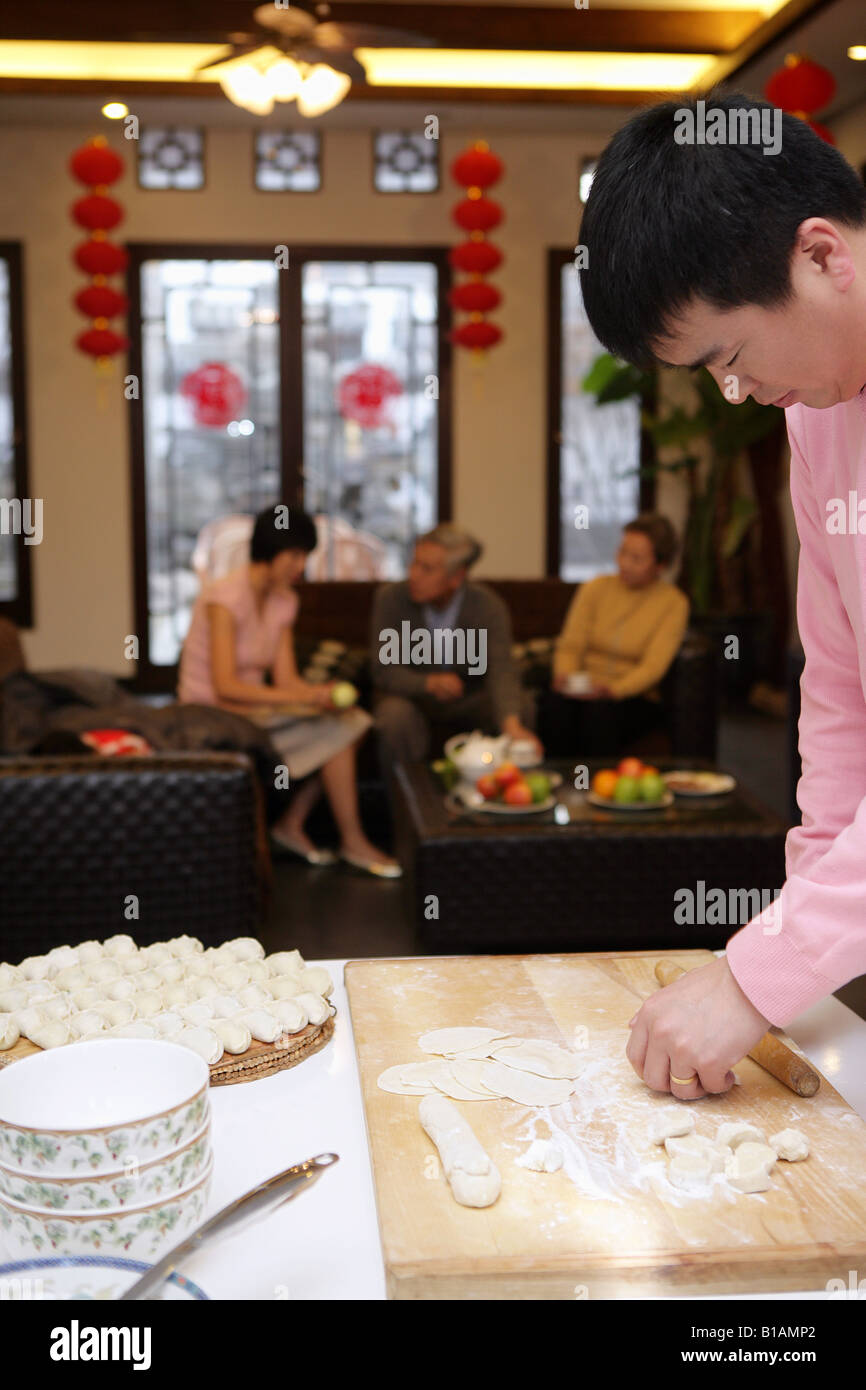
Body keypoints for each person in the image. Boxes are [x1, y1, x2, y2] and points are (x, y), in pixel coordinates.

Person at [578, 90, 866, 1097]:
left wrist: (758, 974)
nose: (732, 394)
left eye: (729, 358)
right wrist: (808, 935)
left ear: (820, 255)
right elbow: (837, 692)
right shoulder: (817, 414)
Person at [178, 504, 401, 878]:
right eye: (296, 555)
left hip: (252, 709)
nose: (302, 565)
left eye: (305, 556)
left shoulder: (285, 600)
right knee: (342, 729)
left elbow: (286, 680)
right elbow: (225, 686)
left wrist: (319, 694)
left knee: (351, 721)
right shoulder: (224, 598)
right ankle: (350, 839)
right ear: (271, 550)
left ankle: (294, 825)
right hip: (211, 714)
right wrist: (303, 699)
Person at [371, 524, 541, 779]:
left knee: (521, 706)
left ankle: (501, 797)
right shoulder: (391, 599)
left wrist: (511, 724)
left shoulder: (488, 606)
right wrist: (427, 683)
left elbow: (502, 669)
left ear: (456, 577)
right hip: (411, 699)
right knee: (394, 715)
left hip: (468, 698)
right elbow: (383, 670)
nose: (413, 575)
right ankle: (405, 799)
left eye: (426, 569)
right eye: (414, 563)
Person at [539, 513, 689, 756]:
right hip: (583, 686)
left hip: (630, 696)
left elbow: (653, 668)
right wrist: (564, 675)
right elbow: (571, 644)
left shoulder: (674, 603)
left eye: (637, 559)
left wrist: (613, 690)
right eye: (622, 552)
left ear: (660, 565)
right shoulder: (595, 588)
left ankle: (597, 789)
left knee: (599, 715)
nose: (624, 563)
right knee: (554, 705)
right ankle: (559, 784)